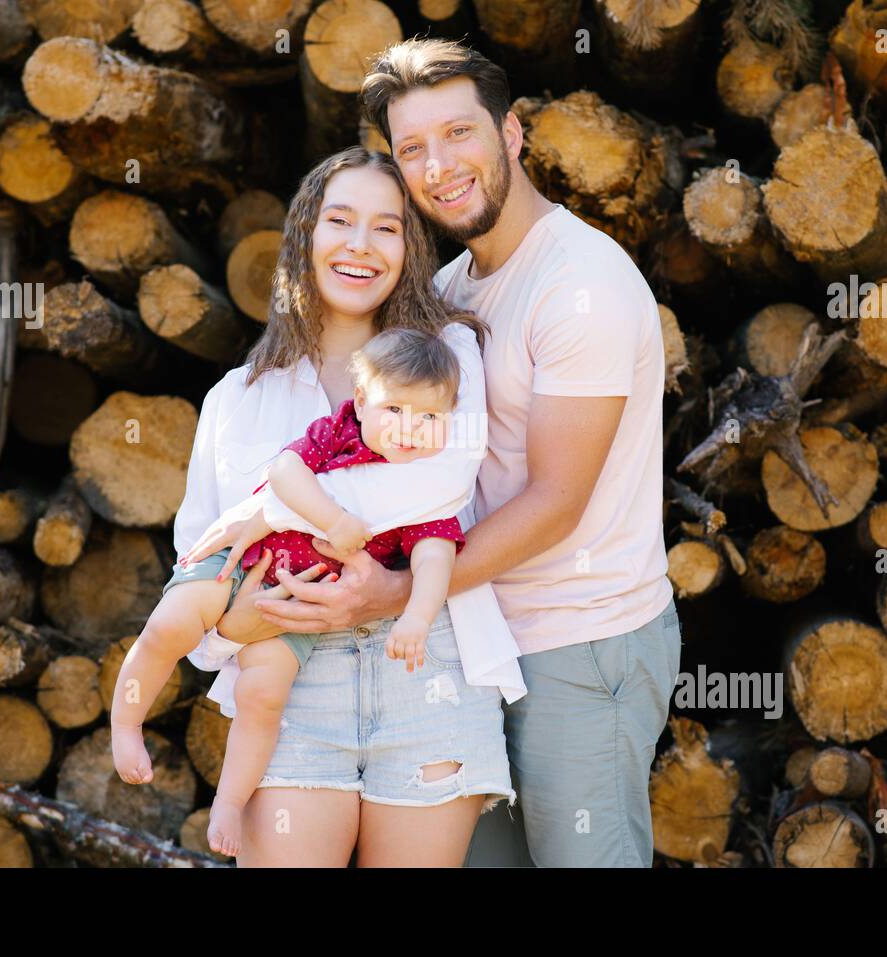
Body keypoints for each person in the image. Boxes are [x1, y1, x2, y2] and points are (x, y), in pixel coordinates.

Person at [189, 38, 681, 867]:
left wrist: (383, 588)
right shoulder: (448, 298)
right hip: (476, 644)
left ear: (511, 134)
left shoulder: (580, 285)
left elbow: (557, 500)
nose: (439, 166)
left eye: (459, 133)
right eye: (413, 147)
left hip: (578, 641)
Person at [164, 146, 525, 866]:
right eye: (340, 220)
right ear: (306, 234)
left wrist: (277, 509)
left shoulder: (449, 353)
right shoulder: (237, 398)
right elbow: (196, 562)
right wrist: (234, 622)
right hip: (290, 685)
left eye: (386, 227)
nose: (361, 244)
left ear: (410, 248)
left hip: (427, 666)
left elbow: (442, 485)